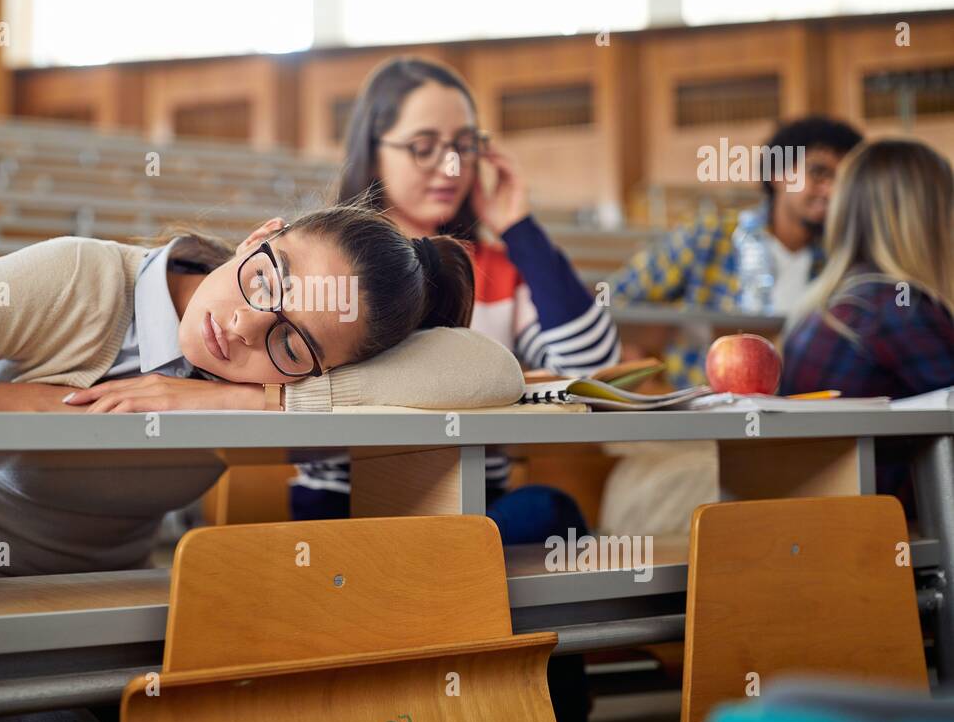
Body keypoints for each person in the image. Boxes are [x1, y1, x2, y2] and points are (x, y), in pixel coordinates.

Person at [0, 204, 518, 581]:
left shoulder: (287, 389)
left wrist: (244, 401)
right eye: (266, 280)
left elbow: (490, 373)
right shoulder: (80, 280)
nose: (246, 326)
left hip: (110, 626)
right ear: (261, 235)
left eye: (290, 342)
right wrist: (20, 405)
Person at [292, 57, 620, 536]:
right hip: (351, 505)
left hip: (479, 507)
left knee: (548, 515)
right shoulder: (326, 259)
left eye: (465, 147)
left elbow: (592, 368)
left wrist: (519, 229)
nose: (451, 167)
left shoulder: (498, 268)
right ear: (374, 151)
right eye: (423, 147)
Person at [611, 116, 863, 388]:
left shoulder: (843, 259)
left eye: (843, 179)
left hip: (803, 408)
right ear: (778, 174)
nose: (831, 189)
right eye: (818, 172)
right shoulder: (711, 237)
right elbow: (617, 297)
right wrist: (645, 372)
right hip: (708, 409)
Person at [781, 138, 954, 503]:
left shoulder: (828, 305)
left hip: (815, 526)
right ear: (931, 220)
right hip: (890, 531)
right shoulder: (899, 310)